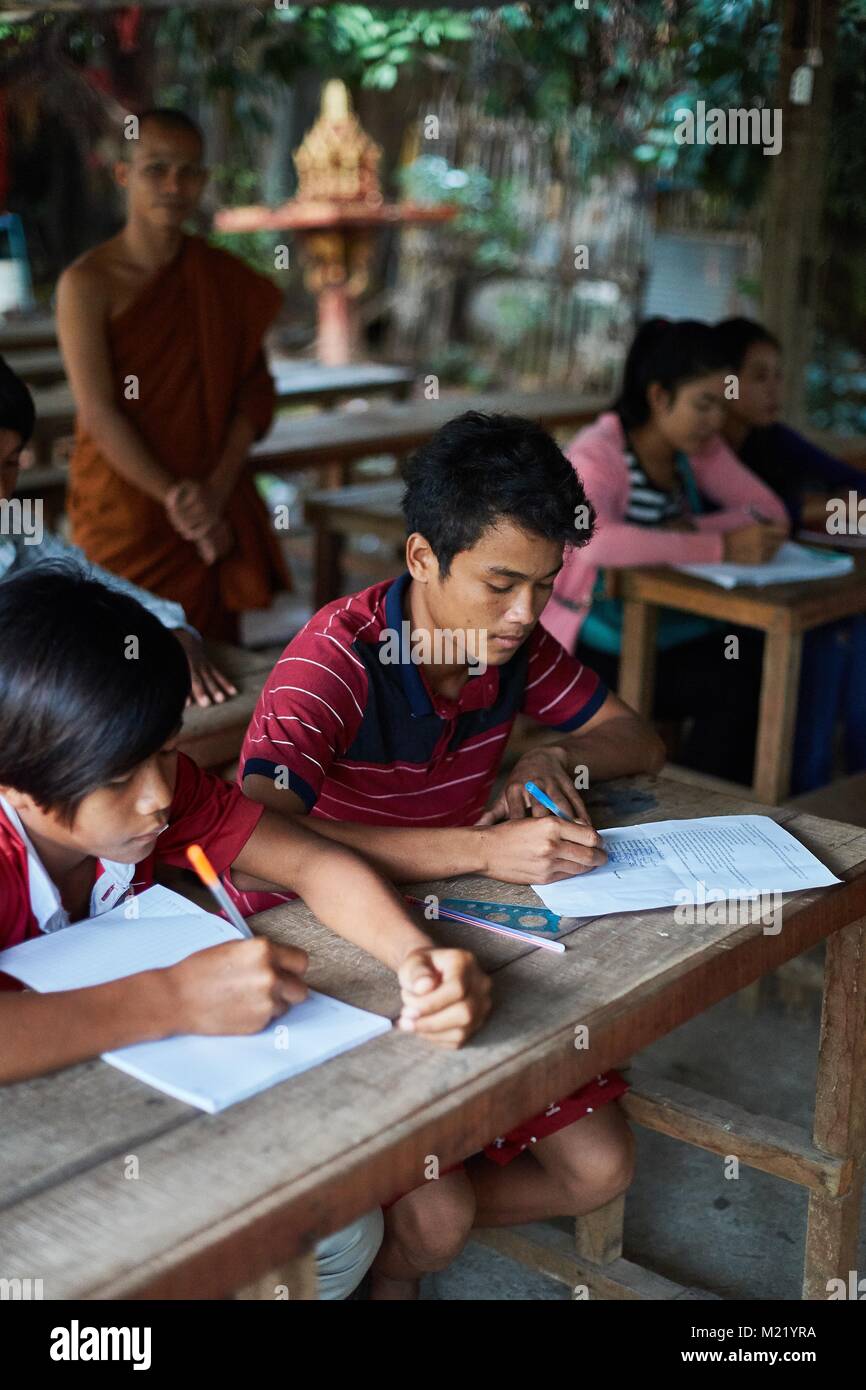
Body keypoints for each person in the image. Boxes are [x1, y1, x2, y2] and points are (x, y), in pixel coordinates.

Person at [229, 410, 667, 1299]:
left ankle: (393, 1226)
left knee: (597, 1170)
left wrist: (552, 752)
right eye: (501, 582)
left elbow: (637, 739)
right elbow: (251, 845)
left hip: (463, 915)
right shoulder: (337, 663)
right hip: (335, 948)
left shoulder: (508, 648)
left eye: (546, 586)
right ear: (422, 557)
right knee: (439, 1216)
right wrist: (481, 848)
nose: (525, 615)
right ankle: (393, 1251)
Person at [0, 568, 490, 1297]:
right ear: (13, 783)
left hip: (157, 1108)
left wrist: (416, 958)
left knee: (346, 1235)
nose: (160, 795)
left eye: (166, 751)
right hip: (39, 1160)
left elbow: (315, 864)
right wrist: (176, 998)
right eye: (119, 778)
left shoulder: (162, 797)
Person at [56, 108, 289, 641]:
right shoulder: (87, 283)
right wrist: (176, 499)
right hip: (128, 507)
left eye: (188, 171)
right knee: (117, 661)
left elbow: (253, 397)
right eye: (155, 168)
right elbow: (98, 410)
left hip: (210, 499)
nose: (173, 185)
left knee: (211, 667)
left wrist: (212, 494)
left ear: (204, 180)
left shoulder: (222, 280)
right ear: (123, 174)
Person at [543, 318, 790, 784]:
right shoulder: (597, 454)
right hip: (594, 641)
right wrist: (719, 544)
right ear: (659, 397)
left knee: (751, 663)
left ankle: (708, 792)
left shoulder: (696, 449)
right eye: (704, 404)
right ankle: (703, 796)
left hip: (666, 629)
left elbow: (770, 512)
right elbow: (595, 540)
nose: (716, 420)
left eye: (722, 405)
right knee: (736, 678)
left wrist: (689, 526)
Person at [0, 355, 234, 706]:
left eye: (11, 463)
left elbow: (90, 582)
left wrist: (173, 631)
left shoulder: (13, 530)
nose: (2, 491)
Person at [716, 316, 866, 791]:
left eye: (778, 375)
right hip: (722, 617)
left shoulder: (773, 439)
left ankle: (850, 784)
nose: (774, 389)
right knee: (826, 641)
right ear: (725, 382)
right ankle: (807, 789)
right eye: (758, 376)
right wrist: (810, 509)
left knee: (854, 628)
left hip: (782, 593)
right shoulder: (702, 451)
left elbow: (857, 485)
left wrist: (825, 508)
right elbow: (758, 516)